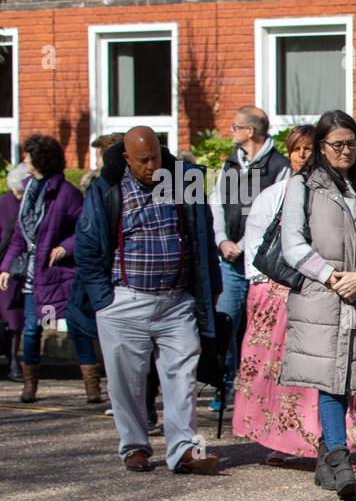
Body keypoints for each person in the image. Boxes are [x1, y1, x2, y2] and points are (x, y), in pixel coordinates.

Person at [75, 127, 223, 474]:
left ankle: (183, 449)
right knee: (126, 383)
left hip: (176, 301)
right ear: (127, 158)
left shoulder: (182, 183)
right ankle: (134, 446)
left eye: (155, 157)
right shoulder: (106, 188)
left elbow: (203, 237)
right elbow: (87, 247)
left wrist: (209, 288)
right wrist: (104, 300)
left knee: (183, 378)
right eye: (143, 160)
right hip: (125, 301)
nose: (151, 165)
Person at [232, 126, 356, 464]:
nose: (303, 156)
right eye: (297, 150)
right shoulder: (274, 195)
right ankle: (283, 442)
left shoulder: (345, 191)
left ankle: (336, 443)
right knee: (286, 376)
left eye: (309, 149)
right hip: (281, 292)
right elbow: (258, 250)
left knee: (334, 371)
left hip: (330, 290)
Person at [279, 110, 356, 499]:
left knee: (350, 377)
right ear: (322, 146)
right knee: (331, 378)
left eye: (352, 143)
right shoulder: (303, 184)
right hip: (320, 295)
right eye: (337, 144)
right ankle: (340, 458)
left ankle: (326, 459)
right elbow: (292, 244)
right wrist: (331, 277)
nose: (346, 150)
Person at [0, 134, 101, 404]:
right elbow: (19, 235)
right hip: (34, 276)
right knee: (32, 329)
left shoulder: (67, 193)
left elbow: (86, 228)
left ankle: (92, 387)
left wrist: (65, 247)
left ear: (40, 160)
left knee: (77, 328)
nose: (25, 160)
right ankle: (30, 385)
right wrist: (7, 266)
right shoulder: (29, 191)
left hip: (61, 275)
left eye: (28, 156)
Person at [210, 106, 290, 413]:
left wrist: (243, 245)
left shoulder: (279, 167)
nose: (231, 132)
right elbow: (217, 203)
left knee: (259, 330)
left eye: (234, 127)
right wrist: (222, 240)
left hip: (261, 264)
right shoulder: (230, 164)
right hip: (230, 261)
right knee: (226, 323)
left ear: (250, 131)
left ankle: (257, 392)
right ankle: (223, 385)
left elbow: (273, 215)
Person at [0, 164, 28, 380]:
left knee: (43, 317)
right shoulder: (4, 203)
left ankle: (24, 361)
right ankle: (12, 362)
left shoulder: (34, 201)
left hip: (30, 267)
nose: (20, 195)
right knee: (10, 316)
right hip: (7, 269)